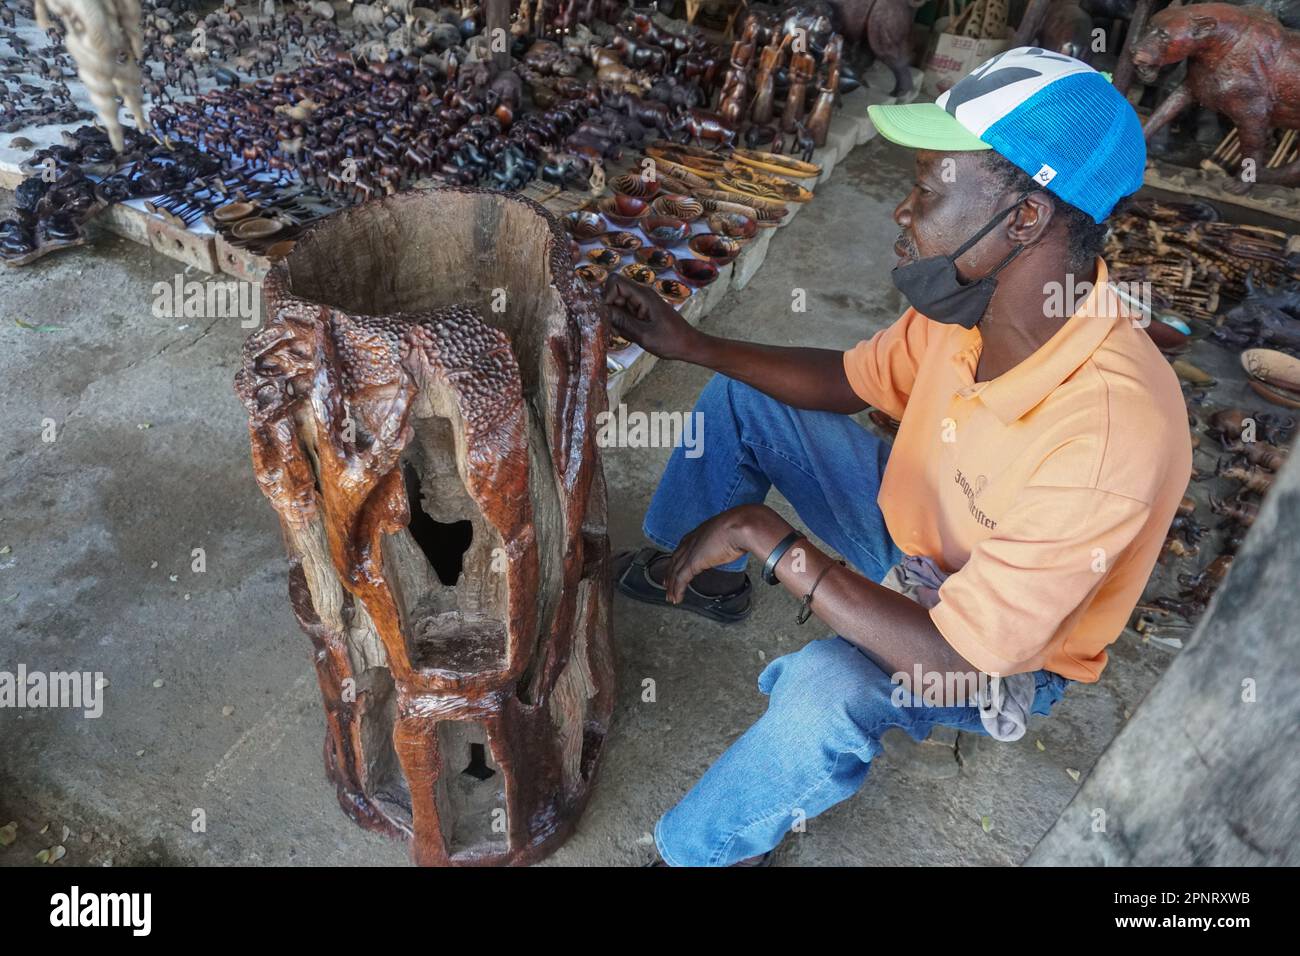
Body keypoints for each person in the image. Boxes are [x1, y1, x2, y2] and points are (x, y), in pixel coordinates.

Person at [604, 49, 1192, 867]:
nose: (902, 213)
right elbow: (849, 381)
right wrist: (694, 344)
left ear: (1023, 219)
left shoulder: (1111, 432)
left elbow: (958, 655)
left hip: (992, 648)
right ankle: (703, 578)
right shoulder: (975, 305)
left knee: (825, 690)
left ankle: (695, 850)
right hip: (916, 535)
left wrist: (773, 542)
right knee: (740, 398)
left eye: (928, 189)